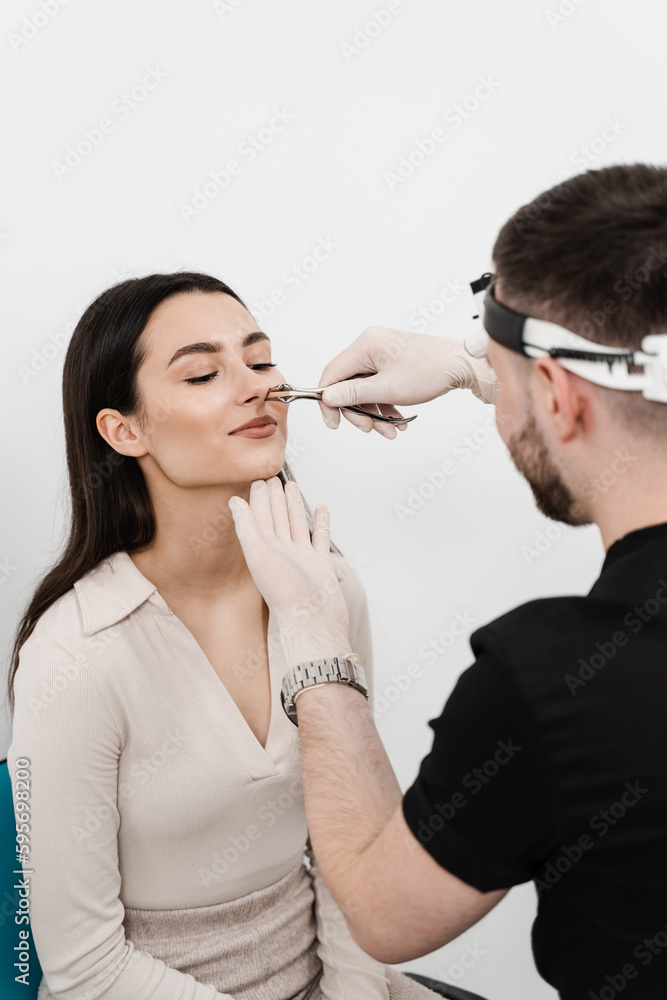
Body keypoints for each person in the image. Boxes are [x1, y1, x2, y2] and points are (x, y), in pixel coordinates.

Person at [226, 162, 667, 1000]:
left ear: (559, 396)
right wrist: (476, 362)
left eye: (504, 385)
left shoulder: (551, 681)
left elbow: (386, 916)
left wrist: (313, 636)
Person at [7, 272, 451, 999]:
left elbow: (356, 856)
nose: (256, 389)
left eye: (262, 359)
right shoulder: (76, 655)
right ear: (125, 430)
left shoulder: (324, 587)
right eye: (205, 373)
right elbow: (85, 968)